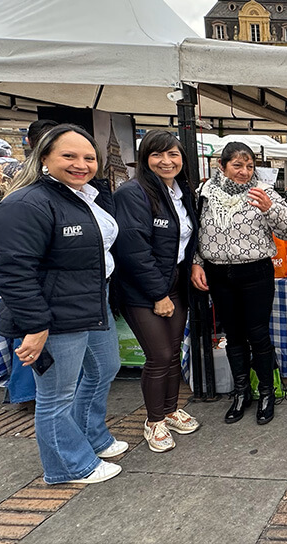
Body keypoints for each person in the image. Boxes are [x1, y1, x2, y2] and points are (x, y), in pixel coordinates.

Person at [0, 124, 126, 485]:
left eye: (88, 157)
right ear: (45, 158)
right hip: (54, 314)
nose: (81, 164)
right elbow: (14, 272)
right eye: (69, 156)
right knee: (55, 395)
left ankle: (91, 437)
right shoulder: (26, 203)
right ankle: (69, 465)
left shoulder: (86, 195)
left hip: (91, 303)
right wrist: (35, 326)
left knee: (104, 368)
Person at [190, 142, 287, 425]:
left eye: (249, 166)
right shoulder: (204, 194)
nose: (244, 171)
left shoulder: (263, 192)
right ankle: (242, 392)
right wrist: (198, 264)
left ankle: (266, 392)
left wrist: (270, 209)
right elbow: (196, 234)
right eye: (237, 165)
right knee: (234, 335)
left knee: (258, 333)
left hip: (255, 273)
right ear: (222, 166)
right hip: (218, 274)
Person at [114, 131, 200, 453]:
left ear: (182, 159)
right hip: (143, 289)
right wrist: (157, 295)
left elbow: (187, 238)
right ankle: (154, 421)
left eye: (173, 155)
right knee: (159, 355)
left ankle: (170, 409)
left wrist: (192, 265)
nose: (166, 161)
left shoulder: (182, 192)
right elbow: (133, 250)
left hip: (175, 283)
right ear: (145, 159)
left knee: (174, 351)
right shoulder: (133, 194)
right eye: (157, 155)